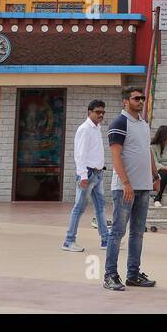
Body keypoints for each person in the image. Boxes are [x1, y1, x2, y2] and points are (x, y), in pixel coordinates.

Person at [104, 85, 157, 292]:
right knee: (117, 232)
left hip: (144, 187)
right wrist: (126, 183)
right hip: (124, 188)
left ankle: (133, 275)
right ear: (125, 101)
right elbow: (116, 156)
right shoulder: (119, 122)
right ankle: (110, 275)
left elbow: (147, 151)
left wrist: (154, 174)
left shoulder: (143, 124)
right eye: (136, 98)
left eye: (142, 98)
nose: (141, 101)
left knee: (137, 232)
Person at [62, 100, 109, 253]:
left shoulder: (97, 128)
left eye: (102, 112)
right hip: (87, 175)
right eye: (97, 112)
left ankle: (105, 240)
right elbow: (80, 155)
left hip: (98, 174)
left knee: (101, 207)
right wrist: (82, 176)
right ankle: (69, 241)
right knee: (79, 208)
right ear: (89, 112)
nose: (100, 114)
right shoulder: (84, 129)